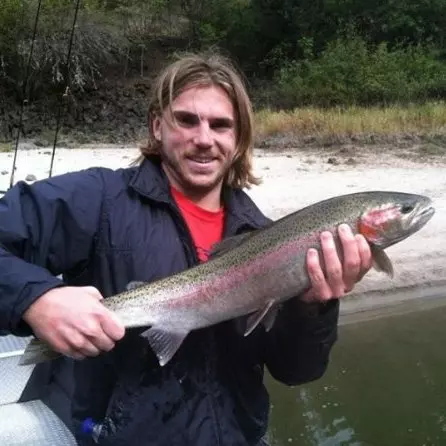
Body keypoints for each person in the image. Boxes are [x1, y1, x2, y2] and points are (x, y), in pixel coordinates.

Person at [0, 52, 372, 445]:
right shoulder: (99, 199)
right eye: (187, 119)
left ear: (238, 139)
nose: (204, 138)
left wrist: (313, 306)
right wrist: (36, 300)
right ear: (157, 125)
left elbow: (297, 371)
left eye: (221, 125)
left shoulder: (265, 235)